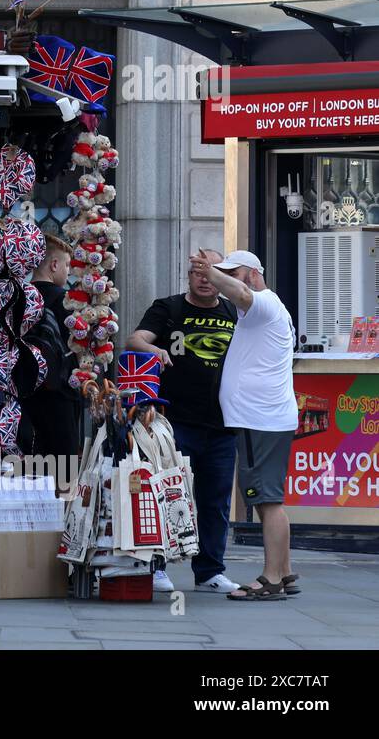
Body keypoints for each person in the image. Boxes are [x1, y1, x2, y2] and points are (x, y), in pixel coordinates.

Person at [127, 249, 240, 595]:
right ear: (188, 276)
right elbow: (135, 338)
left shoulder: (234, 312)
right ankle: (157, 566)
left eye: (212, 272)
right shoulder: (169, 308)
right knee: (165, 495)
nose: (205, 279)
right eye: (197, 272)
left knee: (215, 501)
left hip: (223, 424)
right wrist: (154, 350)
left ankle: (209, 571)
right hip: (175, 423)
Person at [188, 249, 299, 602]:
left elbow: (239, 293)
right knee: (272, 499)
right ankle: (284, 572)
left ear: (251, 274)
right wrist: (216, 270)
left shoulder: (263, 302)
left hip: (260, 420)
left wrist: (209, 271)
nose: (217, 281)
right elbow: (237, 293)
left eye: (230, 273)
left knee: (267, 501)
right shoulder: (262, 310)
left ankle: (270, 580)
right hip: (264, 419)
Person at [19, 233, 80, 489]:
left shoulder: (15, 297)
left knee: (26, 474)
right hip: (59, 397)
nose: (67, 272)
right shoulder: (66, 301)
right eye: (67, 265)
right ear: (54, 265)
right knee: (63, 480)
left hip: (20, 395)